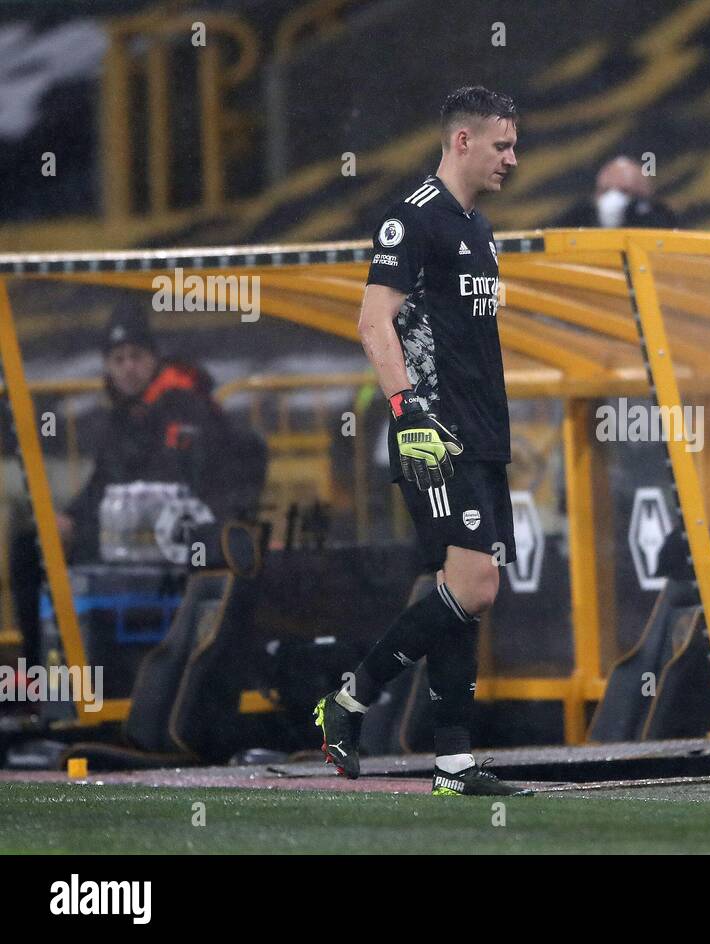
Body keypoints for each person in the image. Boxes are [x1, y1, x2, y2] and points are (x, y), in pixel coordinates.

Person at [312, 86, 529, 797]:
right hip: (435, 433)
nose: (512, 158)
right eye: (501, 145)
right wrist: (408, 415)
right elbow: (374, 324)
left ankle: (454, 763)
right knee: (476, 583)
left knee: (462, 592)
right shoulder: (411, 222)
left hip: (483, 434)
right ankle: (347, 699)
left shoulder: (479, 227)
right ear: (461, 142)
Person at [7, 301, 264, 676]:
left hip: (168, 538)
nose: (128, 366)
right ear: (108, 366)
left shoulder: (185, 408)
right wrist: (67, 520)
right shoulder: (122, 418)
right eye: (118, 358)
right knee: (30, 547)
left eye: (136, 356)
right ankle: (40, 676)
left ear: (153, 359)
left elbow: (195, 483)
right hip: (119, 535)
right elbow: (100, 488)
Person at [553, 155, 678, 228]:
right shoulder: (577, 219)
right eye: (605, 190)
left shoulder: (663, 220)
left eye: (624, 190)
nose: (613, 197)